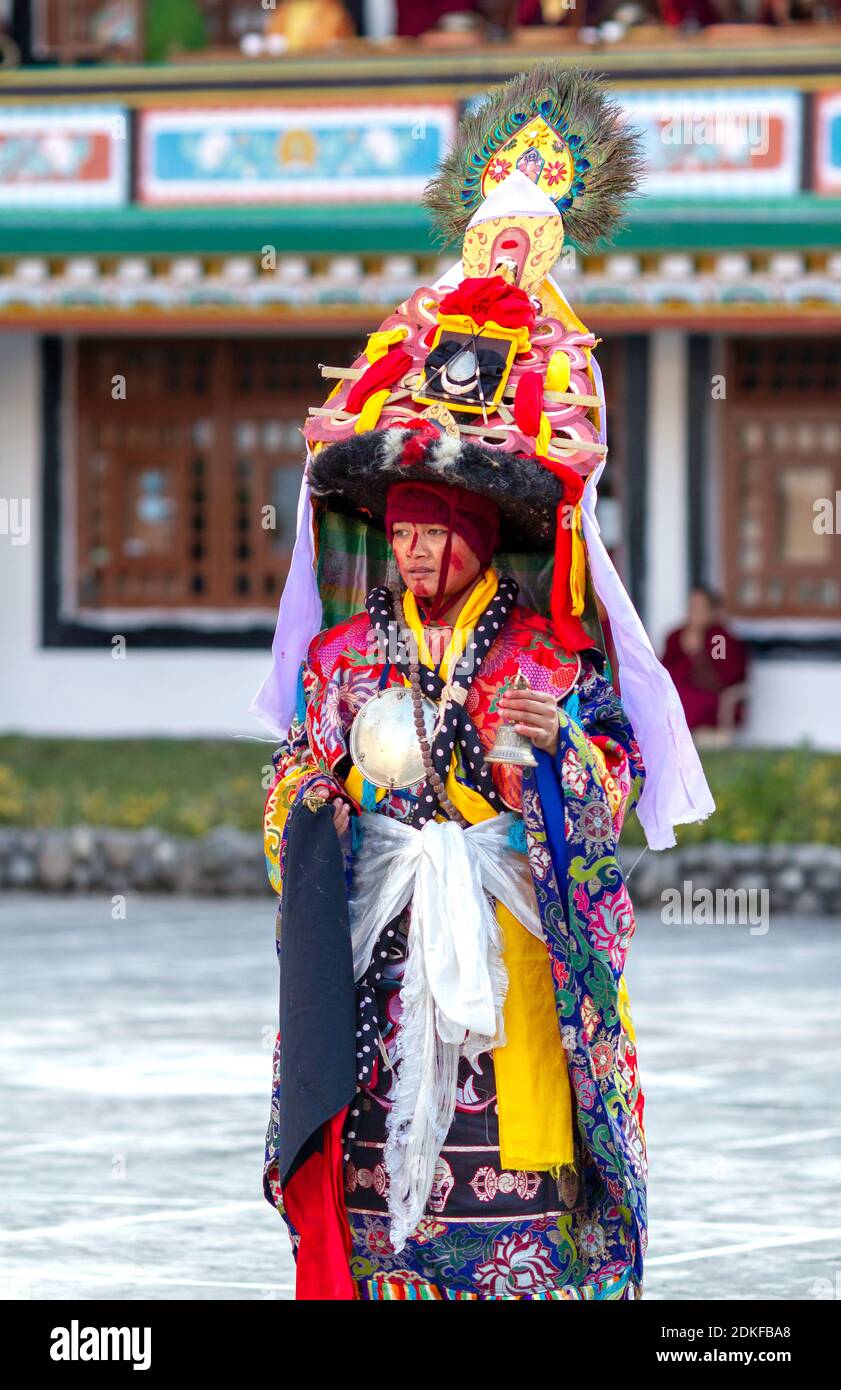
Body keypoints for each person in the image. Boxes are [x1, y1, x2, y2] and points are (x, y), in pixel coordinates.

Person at [252, 63, 714, 1302]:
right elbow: (285, 798)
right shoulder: (344, 658)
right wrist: (338, 776)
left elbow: (606, 788)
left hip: (507, 958)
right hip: (384, 961)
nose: (411, 547)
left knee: (509, 1213)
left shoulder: (547, 656)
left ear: (479, 534)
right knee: (373, 1210)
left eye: (436, 526)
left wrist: (551, 750)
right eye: (397, 526)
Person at [661, 586, 748, 732]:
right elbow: (665, 672)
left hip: (710, 698)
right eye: (692, 607)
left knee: (685, 705)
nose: (696, 613)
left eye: (701, 608)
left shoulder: (718, 637)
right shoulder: (676, 636)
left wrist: (697, 654)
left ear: (711, 611)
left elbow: (722, 678)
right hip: (677, 693)